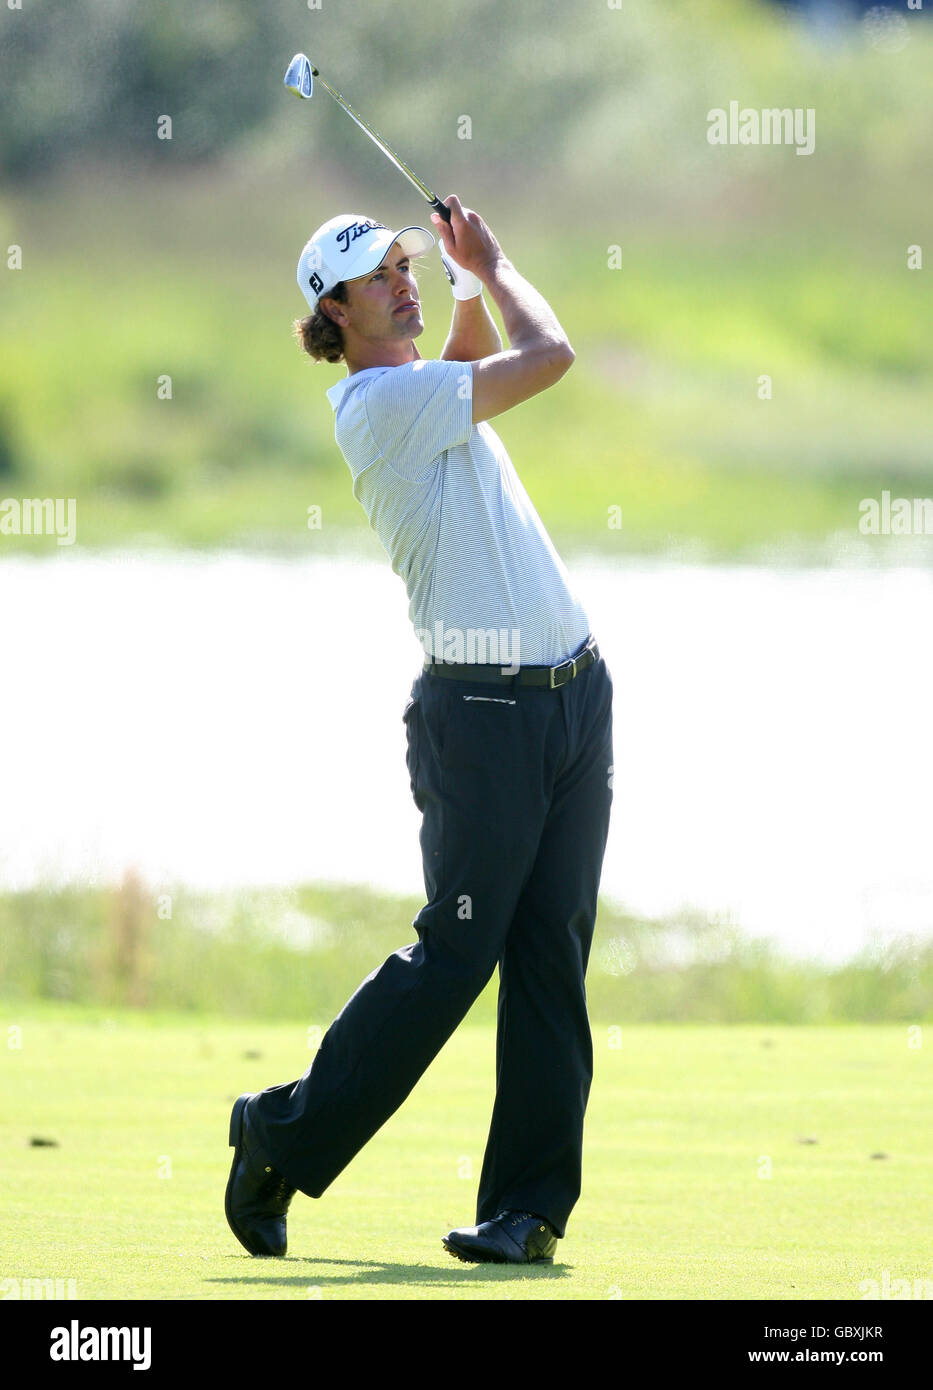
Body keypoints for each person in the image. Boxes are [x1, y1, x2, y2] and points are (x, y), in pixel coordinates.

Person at [224, 195, 614, 1265]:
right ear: (333, 317)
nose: (398, 282)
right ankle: (277, 1131)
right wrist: (493, 265)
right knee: (456, 956)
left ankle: (524, 1211)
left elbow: (471, 358)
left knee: (550, 954)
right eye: (377, 278)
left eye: (403, 264)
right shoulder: (377, 408)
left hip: (575, 694)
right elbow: (554, 353)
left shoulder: (427, 390)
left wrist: (455, 285)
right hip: (482, 716)